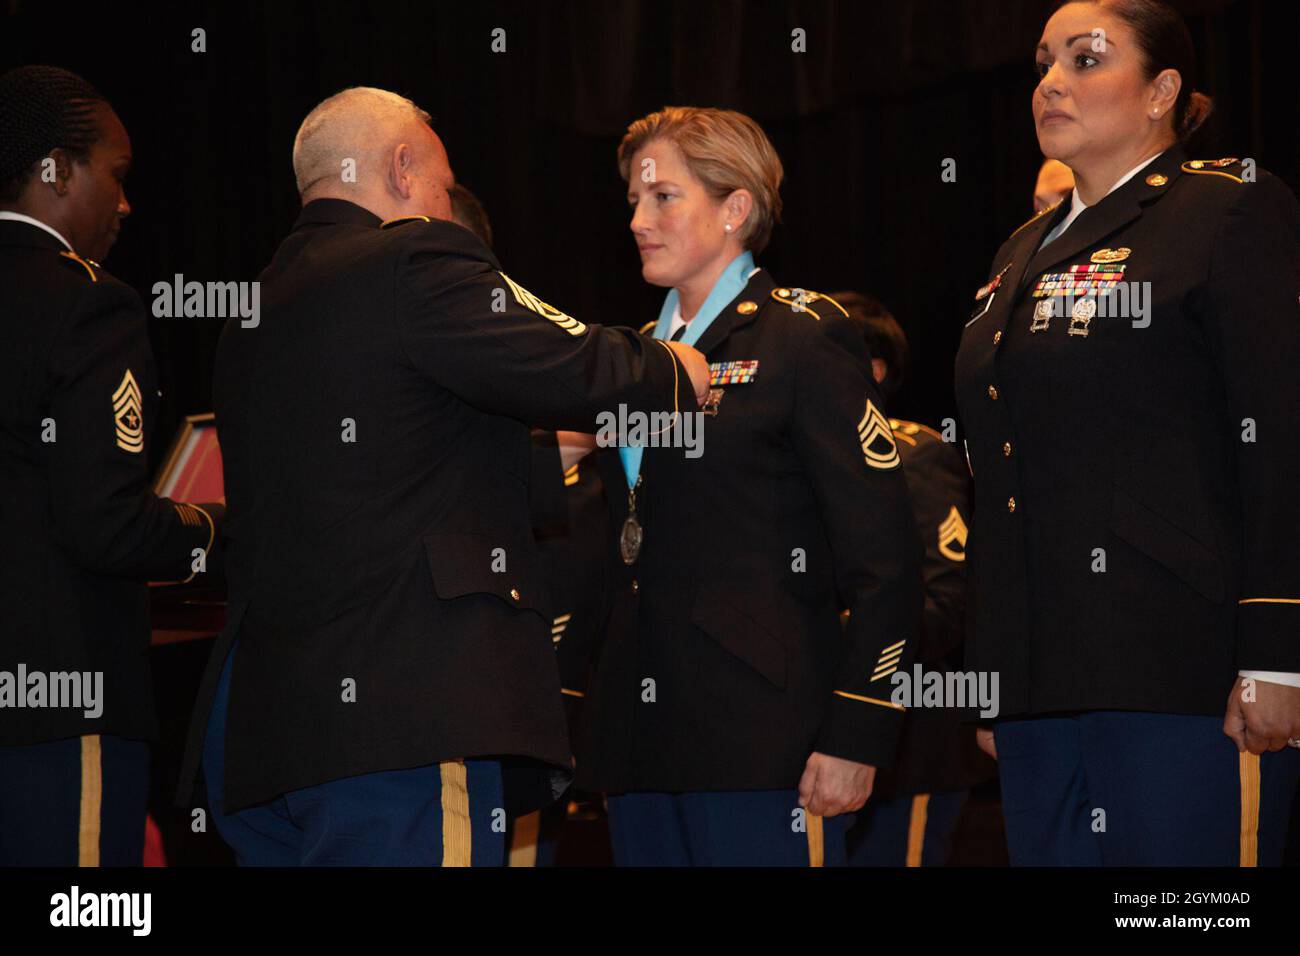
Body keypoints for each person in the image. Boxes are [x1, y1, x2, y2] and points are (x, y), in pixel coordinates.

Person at [178, 86, 710, 867]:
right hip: (406, 710)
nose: (444, 200)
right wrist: (673, 367)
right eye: (439, 179)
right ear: (401, 167)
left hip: (266, 725)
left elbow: (388, 454)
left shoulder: (253, 307)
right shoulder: (413, 254)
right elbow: (569, 355)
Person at [955, 0, 1300, 865]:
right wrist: (992, 672)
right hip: (1039, 676)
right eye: (1043, 62)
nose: (1051, 82)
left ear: (1161, 92)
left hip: (1181, 663)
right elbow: (995, 476)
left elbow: (1278, 431)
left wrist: (1278, 650)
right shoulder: (1018, 251)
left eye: (1085, 59)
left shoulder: (1225, 207)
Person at [572, 106, 923, 866]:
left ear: (736, 208)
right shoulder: (633, 356)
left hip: (766, 741)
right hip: (639, 744)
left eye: (664, 197)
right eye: (634, 199)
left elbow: (886, 559)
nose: (638, 218)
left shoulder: (803, 336)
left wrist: (858, 729)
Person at [0, 65, 224, 866]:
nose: (127, 205)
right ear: (55, 169)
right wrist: (221, 531)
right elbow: (106, 525)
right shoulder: (88, 303)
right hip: (64, 709)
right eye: (117, 177)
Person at [834, 292, 995, 867]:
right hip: (822, 740)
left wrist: (837, 640)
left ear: (874, 371)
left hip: (910, 744)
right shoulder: (801, 453)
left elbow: (946, 603)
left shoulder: (915, 453)